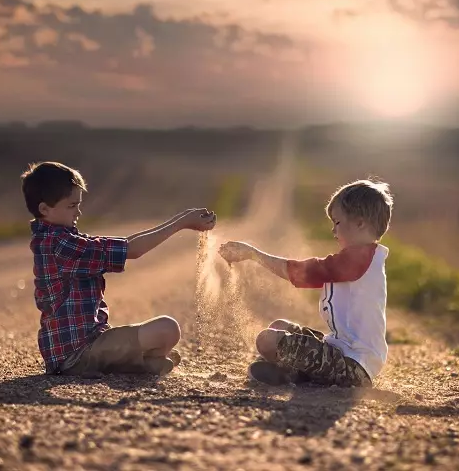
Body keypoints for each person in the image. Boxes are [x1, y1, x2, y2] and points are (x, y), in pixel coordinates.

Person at [20, 161, 216, 377]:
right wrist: (181, 224)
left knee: (163, 336)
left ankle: (141, 363)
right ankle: (136, 362)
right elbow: (132, 250)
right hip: (76, 354)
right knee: (167, 329)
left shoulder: (62, 238)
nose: (78, 212)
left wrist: (183, 218)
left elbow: (125, 243)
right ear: (44, 209)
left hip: (87, 345)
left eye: (78, 204)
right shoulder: (61, 245)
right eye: (72, 206)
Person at [219, 178, 393, 387]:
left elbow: (302, 273)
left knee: (267, 340)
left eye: (337, 222)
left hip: (353, 365)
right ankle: (294, 372)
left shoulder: (360, 259)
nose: (333, 230)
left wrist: (253, 254)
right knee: (279, 326)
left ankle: (290, 374)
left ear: (360, 222)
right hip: (340, 351)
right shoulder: (362, 257)